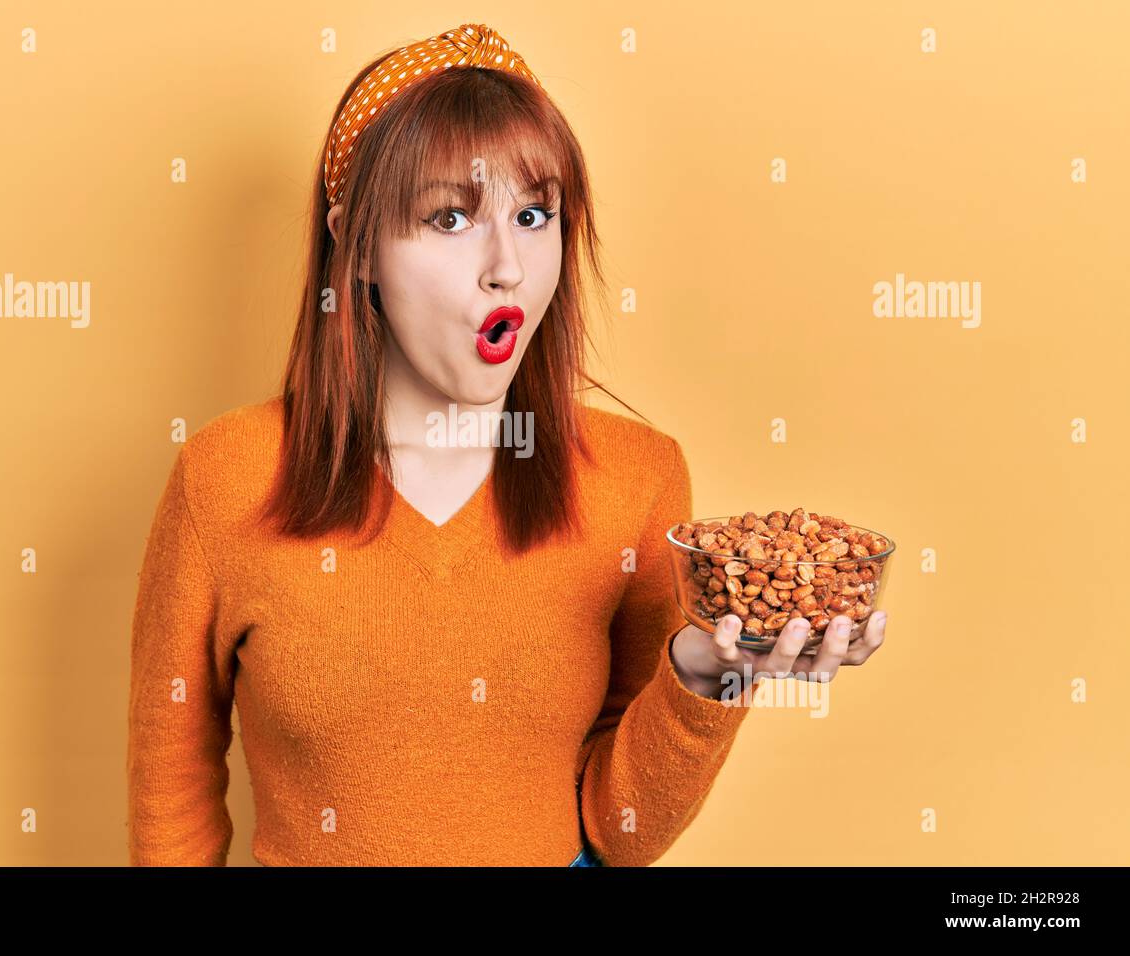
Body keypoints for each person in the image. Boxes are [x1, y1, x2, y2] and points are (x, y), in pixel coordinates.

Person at [126, 22, 887, 868]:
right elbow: (172, 790)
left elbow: (618, 836)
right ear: (357, 242)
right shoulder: (224, 477)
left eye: (533, 214)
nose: (507, 268)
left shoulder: (638, 482)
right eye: (449, 216)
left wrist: (709, 672)